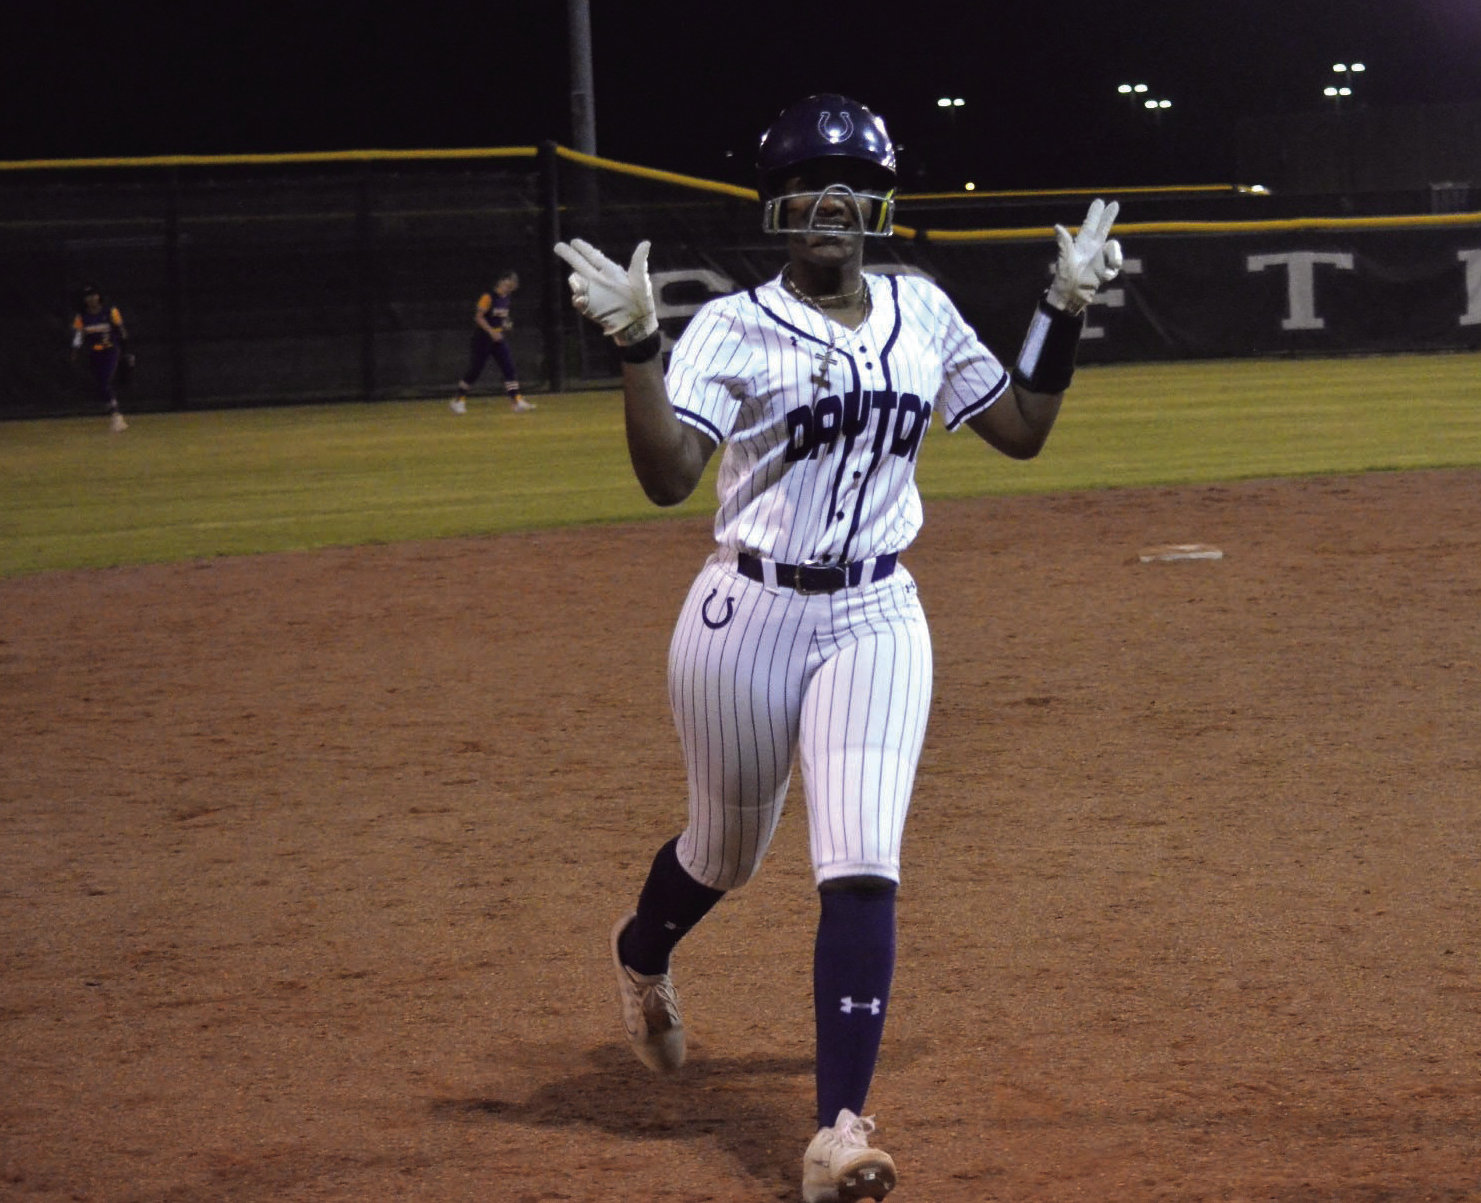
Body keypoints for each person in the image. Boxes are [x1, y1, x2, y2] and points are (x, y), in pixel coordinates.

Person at [553, 92, 1121, 1203]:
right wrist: (638, 347)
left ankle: (837, 1130)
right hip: (746, 613)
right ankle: (642, 948)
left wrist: (1063, 307)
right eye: (809, 185)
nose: (832, 204)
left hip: (877, 615)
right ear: (777, 204)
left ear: (879, 205)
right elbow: (668, 478)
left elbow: (1022, 430)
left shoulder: (923, 310)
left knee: (861, 858)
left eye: (852, 186)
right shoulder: (732, 325)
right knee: (726, 853)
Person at [450, 269, 533, 413]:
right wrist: (491, 331)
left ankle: (516, 401)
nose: (510, 288)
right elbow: (478, 317)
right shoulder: (488, 297)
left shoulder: (506, 297)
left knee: (509, 367)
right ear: (501, 281)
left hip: (498, 338)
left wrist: (506, 323)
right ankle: (458, 400)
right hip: (483, 338)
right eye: (508, 284)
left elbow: (502, 317)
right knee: (475, 370)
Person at [70, 284, 131, 432]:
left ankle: (117, 415)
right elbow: (78, 335)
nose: (91, 299)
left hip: (110, 351)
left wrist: (127, 351)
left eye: (94, 295)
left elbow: (121, 331)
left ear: (99, 296)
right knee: (100, 385)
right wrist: (75, 351)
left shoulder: (110, 311)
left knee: (105, 381)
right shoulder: (82, 316)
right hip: (94, 353)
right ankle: (112, 410)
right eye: (88, 296)